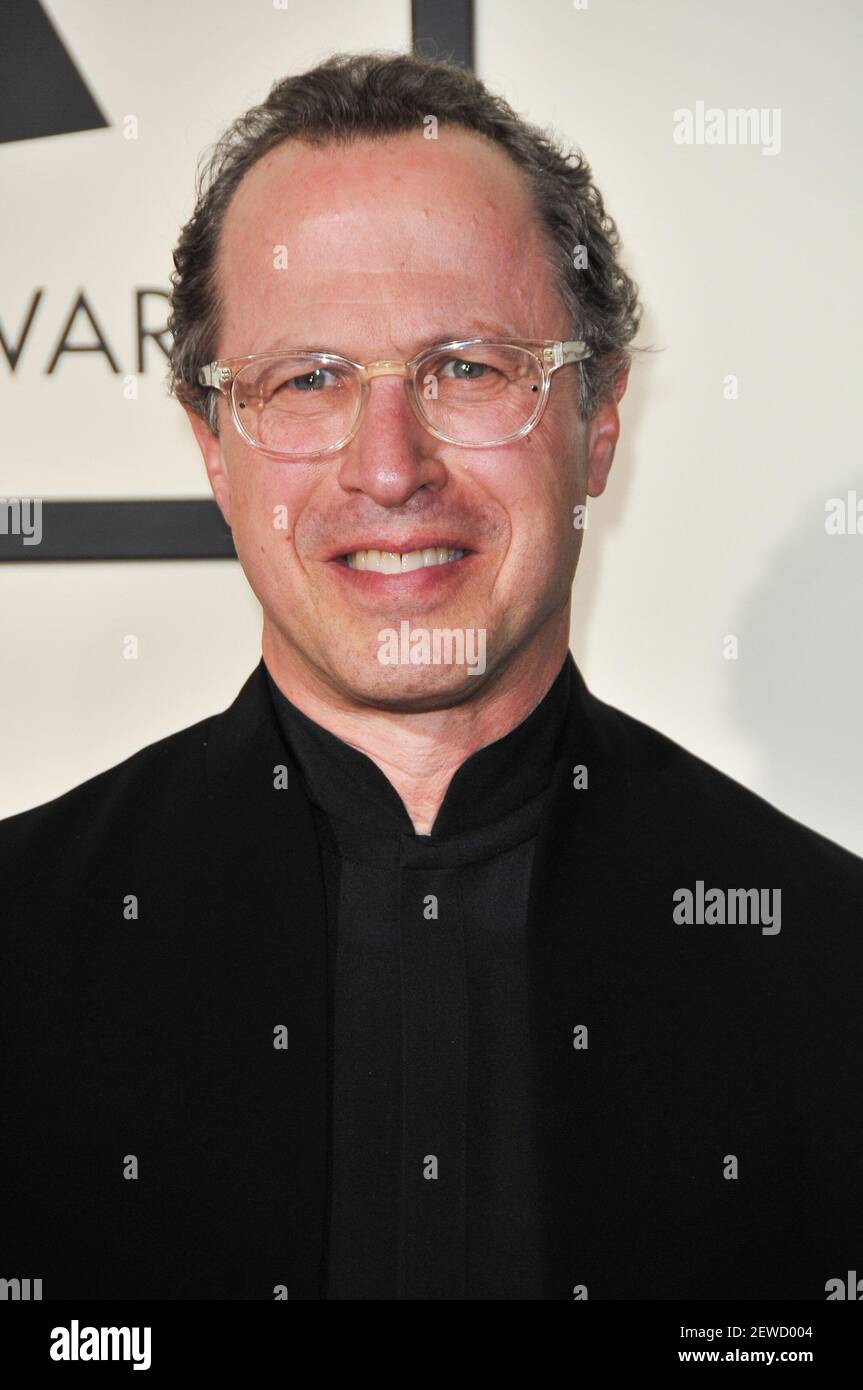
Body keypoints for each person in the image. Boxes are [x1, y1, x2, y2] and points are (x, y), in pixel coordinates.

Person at [1, 52, 861, 1302]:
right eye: (307, 380)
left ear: (597, 422)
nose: (390, 466)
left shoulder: (830, 972)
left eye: (467, 367)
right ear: (211, 450)